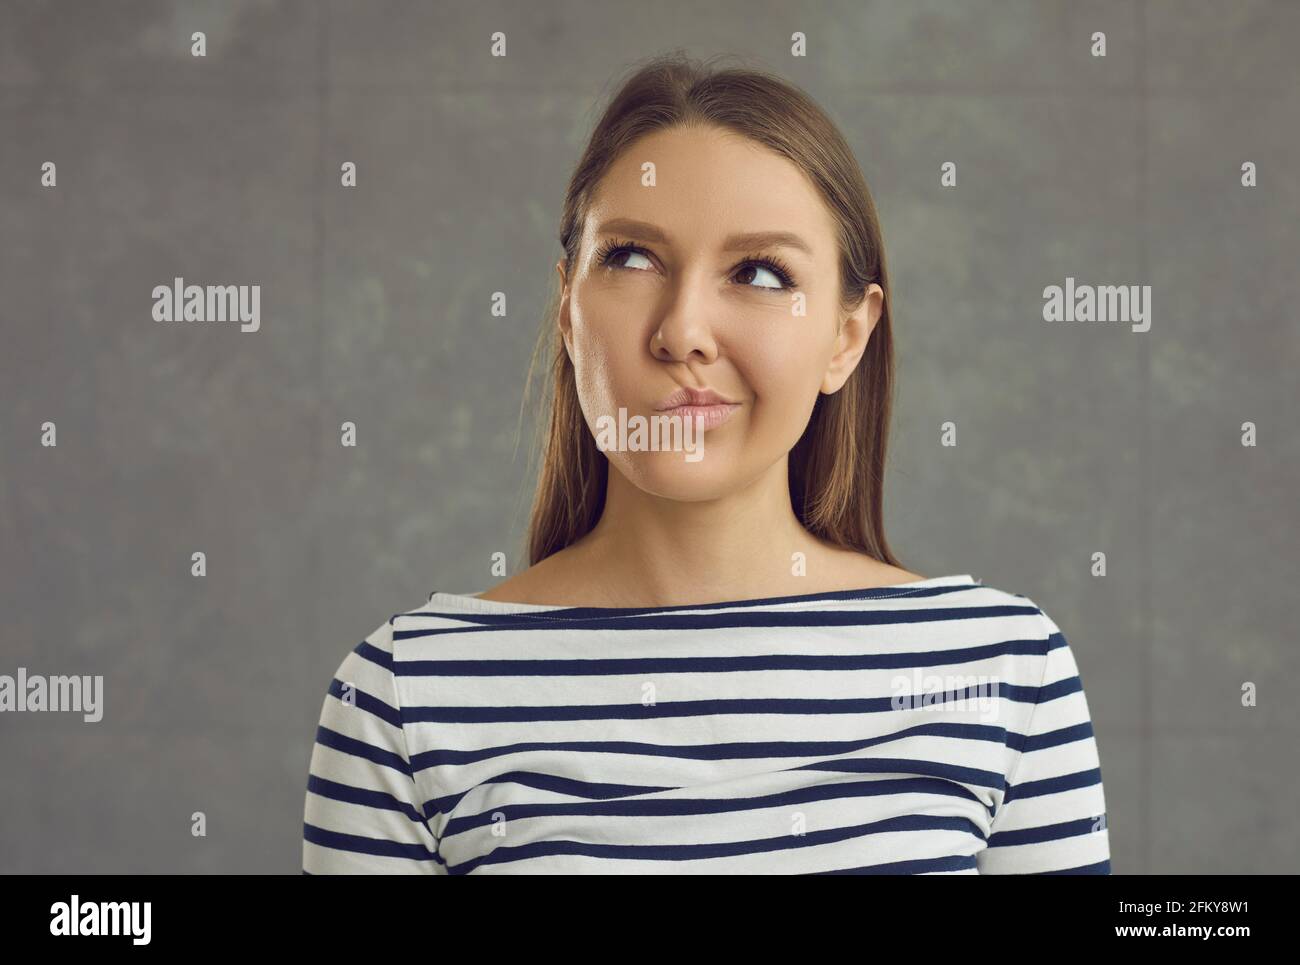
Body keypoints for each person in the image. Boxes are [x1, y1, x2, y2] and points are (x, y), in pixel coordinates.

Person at [302, 52, 1110, 874]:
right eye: (631, 259)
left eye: (760, 273)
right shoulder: (403, 698)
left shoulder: (1004, 669)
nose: (683, 329)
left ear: (847, 337)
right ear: (569, 311)